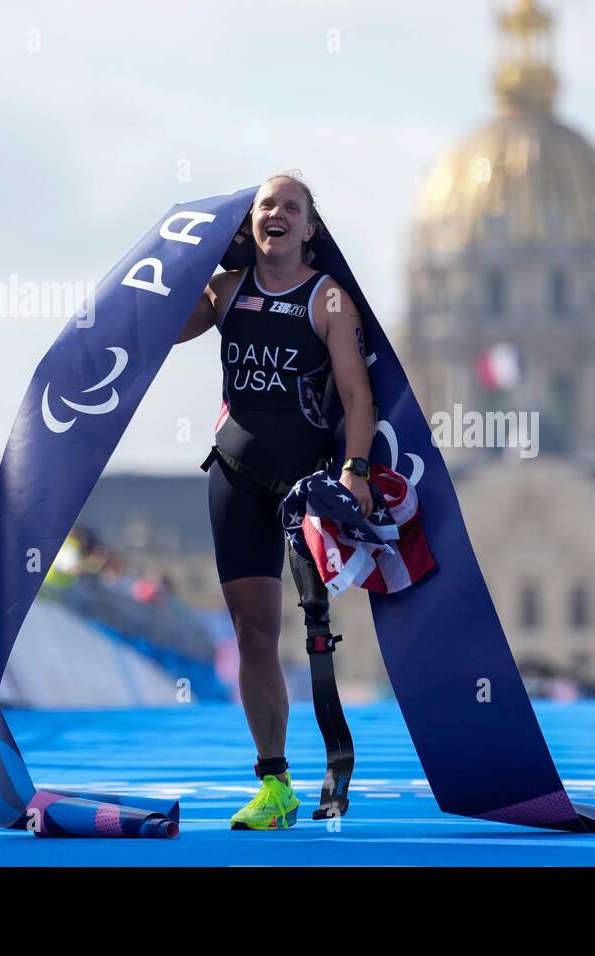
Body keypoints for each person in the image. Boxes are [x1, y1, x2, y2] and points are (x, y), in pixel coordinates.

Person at [176, 173, 375, 830]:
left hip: (303, 487)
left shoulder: (329, 298)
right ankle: (276, 784)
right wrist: (203, 253)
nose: (278, 214)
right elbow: (162, 330)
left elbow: (356, 397)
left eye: (292, 207)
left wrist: (355, 469)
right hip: (234, 476)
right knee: (253, 633)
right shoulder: (226, 290)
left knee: (315, 633)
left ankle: (337, 757)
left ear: (310, 229)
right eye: (266, 206)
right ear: (250, 224)